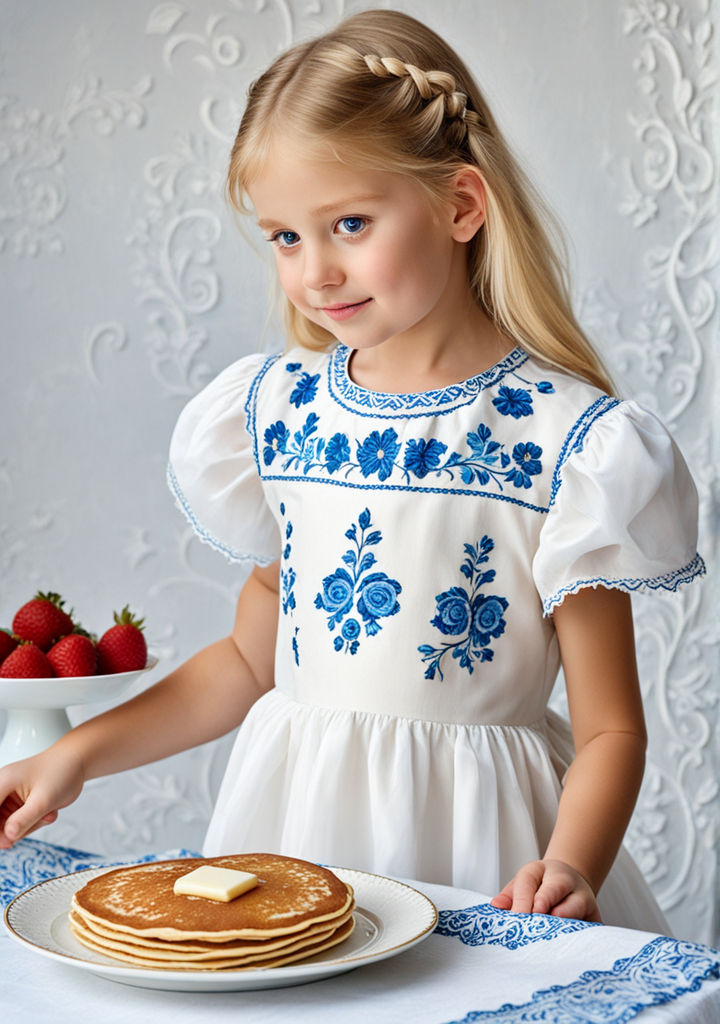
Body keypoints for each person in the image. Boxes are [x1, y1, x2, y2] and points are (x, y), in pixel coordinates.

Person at [0, 10, 704, 931]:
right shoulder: (280, 415)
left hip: (483, 854)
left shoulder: (569, 444)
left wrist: (571, 863)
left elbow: (611, 726)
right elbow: (252, 659)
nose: (316, 272)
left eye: (350, 223)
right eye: (286, 237)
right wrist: (78, 754)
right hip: (296, 838)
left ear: (460, 204)